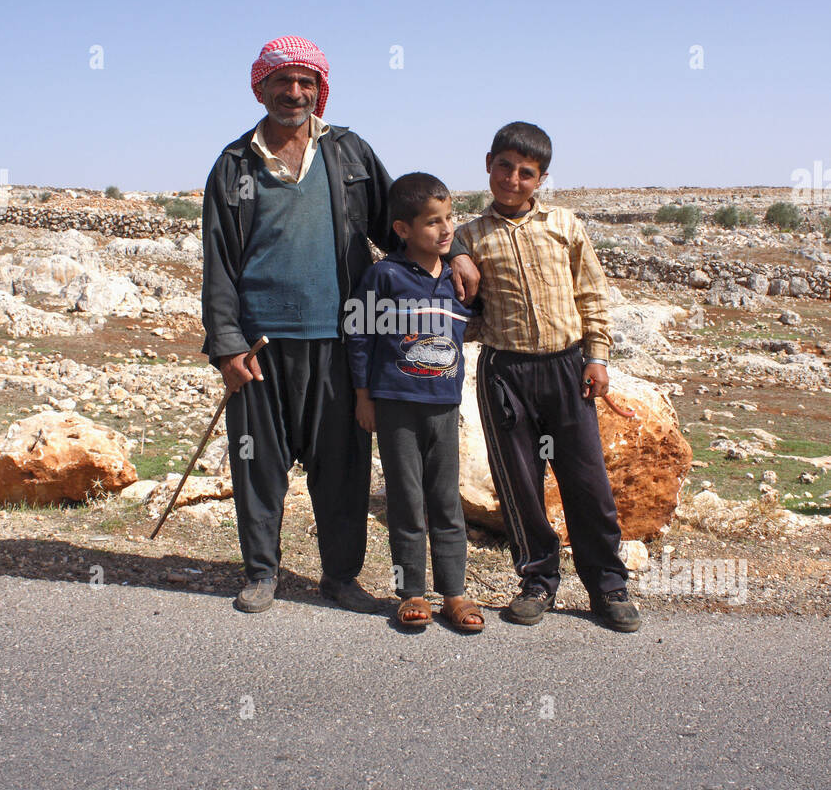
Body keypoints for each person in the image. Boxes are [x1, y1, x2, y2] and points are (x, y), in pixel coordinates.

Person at [200, 36, 480, 614]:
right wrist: (228, 346)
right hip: (260, 345)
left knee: (344, 468)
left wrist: (455, 253)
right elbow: (219, 263)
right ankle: (260, 573)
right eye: (283, 81)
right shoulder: (233, 165)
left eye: (306, 82)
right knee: (258, 465)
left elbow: (404, 222)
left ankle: (341, 577)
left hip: (341, 341)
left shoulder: (348, 153)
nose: (294, 92)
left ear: (319, 89)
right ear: (262, 86)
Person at [456, 121, 640, 632]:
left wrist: (597, 356)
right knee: (520, 485)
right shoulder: (469, 236)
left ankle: (609, 586)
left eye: (526, 173)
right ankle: (537, 582)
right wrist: (458, 257)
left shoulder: (564, 225)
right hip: (505, 372)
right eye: (504, 167)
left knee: (587, 483)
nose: (512, 179)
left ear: (541, 179)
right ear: (488, 164)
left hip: (567, 368)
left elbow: (592, 294)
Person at [345, 173, 484, 632]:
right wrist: (364, 396)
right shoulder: (384, 276)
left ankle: (455, 593)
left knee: (445, 500)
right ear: (403, 229)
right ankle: (411, 592)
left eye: (448, 219)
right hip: (395, 406)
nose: (444, 231)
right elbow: (360, 336)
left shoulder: (457, 281)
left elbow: (474, 327)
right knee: (405, 500)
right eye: (431, 223)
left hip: (443, 406)